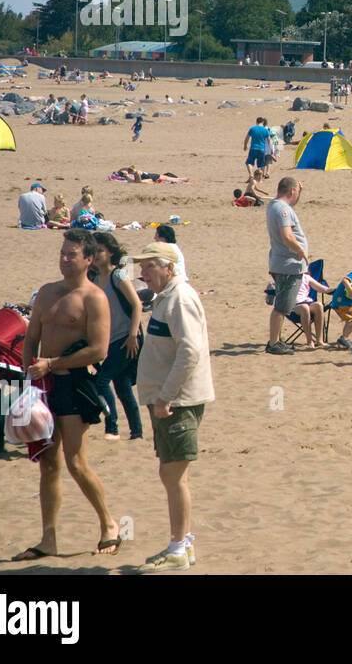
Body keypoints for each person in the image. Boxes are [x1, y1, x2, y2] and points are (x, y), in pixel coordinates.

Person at [13, 229, 120, 562]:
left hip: (73, 384)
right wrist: (27, 371)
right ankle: (48, 539)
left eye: (71, 254)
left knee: (76, 462)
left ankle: (109, 525)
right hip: (42, 385)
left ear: (88, 259)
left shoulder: (94, 298)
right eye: (62, 253)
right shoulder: (46, 293)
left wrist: (53, 363)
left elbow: (98, 350)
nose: (64, 259)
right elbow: (31, 336)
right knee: (47, 462)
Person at [131, 241, 215, 572]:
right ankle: (184, 543)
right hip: (166, 400)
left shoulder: (180, 298)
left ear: (168, 267)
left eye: (149, 266)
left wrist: (166, 396)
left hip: (178, 402)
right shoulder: (166, 298)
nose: (142, 272)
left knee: (173, 473)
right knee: (170, 472)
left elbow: (190, 352)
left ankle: (179, 548)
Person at [90, 234, 143, 442]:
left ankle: (112, 427)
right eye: (93, 251)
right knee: (122, 385)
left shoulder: (118, 275)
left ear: (110, 252)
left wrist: (132, 335)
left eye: (100, 250)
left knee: (103, 382)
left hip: (127, 338)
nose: (96, 255)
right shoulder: (94, 279)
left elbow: (137, 304)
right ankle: (137, 432)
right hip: (111, 340)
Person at [266, 178, 308, 355]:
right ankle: (274, 342)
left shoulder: (274, 205)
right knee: (282, 306)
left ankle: (277, 339)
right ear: (291, 191)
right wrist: (301, 250)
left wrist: (300, 191)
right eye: (297, 191)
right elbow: (287, 236)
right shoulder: (283, 209)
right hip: (288, 264)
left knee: (283, 304)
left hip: (280, 261)